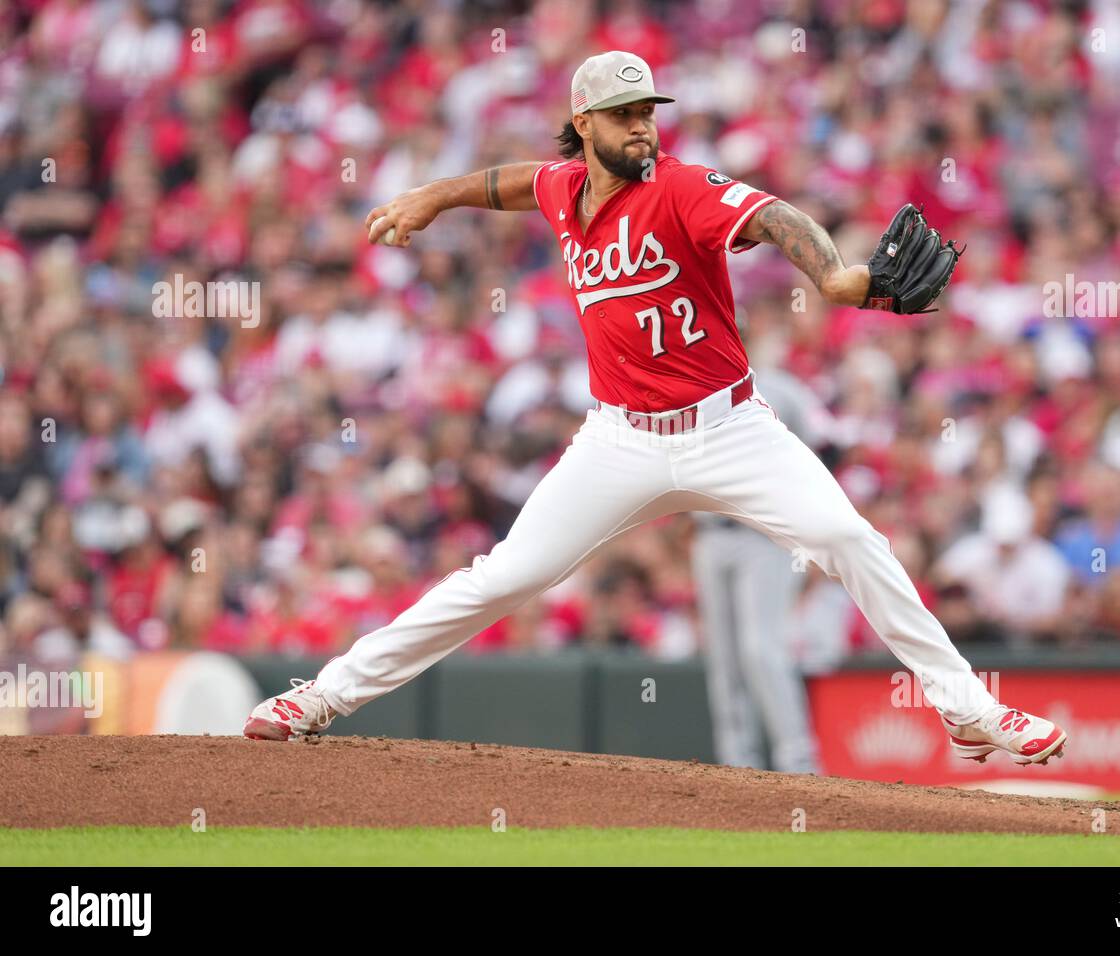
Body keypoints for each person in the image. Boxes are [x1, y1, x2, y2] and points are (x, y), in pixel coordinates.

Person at [244, 51, 1067, 768]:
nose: (643, 128)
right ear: (584, 122)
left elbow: (774, 216)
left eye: (647, 113)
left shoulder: (682, 189)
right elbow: (510, 182)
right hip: (619, 442)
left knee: (849, 538)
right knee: (504, 576)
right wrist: (434, 194)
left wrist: (835, 277)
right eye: (624, 115)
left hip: (731, 427)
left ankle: (970, 710)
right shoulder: (567, 190)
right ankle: (323, 696)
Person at [691, 365, 824, 774]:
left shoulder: (781, 389)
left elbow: (818, 451)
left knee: (760, 648)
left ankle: (798, 761)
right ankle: (737, 764)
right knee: (724, 656)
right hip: (711, 532)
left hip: (765, 534)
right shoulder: (692, 385)